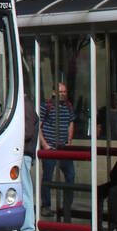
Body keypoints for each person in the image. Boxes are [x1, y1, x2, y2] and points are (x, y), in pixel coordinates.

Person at [39, 81, 76, 223]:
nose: (63, 95)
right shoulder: (46, 106)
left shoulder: (67, 106)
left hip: (64, 148)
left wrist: (69, 140)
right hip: (50, 148)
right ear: (54, 93)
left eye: (65, 92)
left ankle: (67, 206)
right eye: (60, 92)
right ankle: (46, 205)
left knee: (70, 177)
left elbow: (71, 122)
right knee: (48, 177)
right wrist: (45, 144)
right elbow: (39, 125)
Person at [15, 93, 39, 231]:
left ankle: (28, 228)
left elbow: (27, 132)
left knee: (25, 190)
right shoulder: (25, 105)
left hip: (23, 153)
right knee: (21, 190)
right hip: (22, 153)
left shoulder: (25, 106)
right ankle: (23, 227)